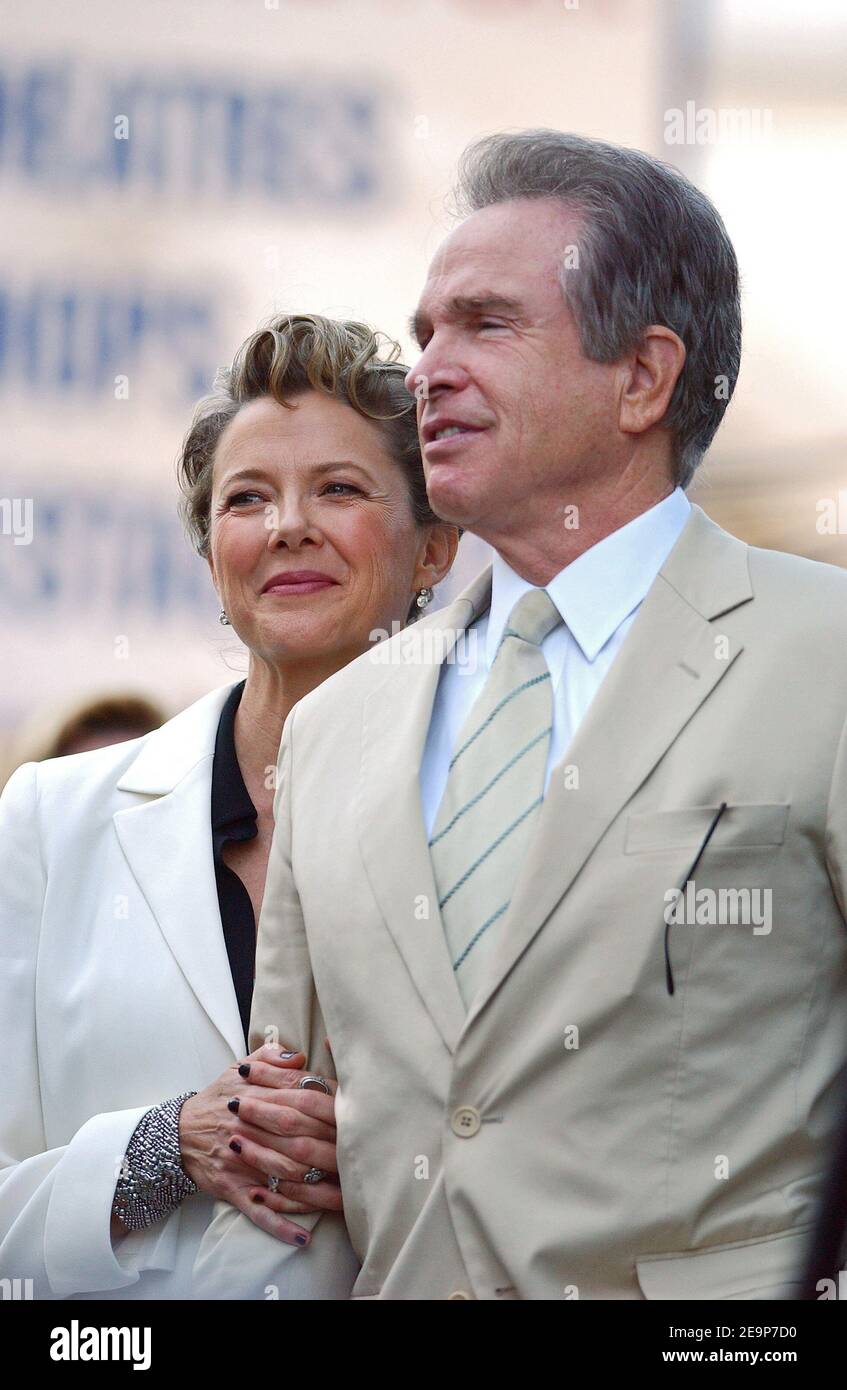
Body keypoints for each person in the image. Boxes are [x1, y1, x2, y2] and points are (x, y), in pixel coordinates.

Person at [195, 132, 847, 1301]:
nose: (425, 371)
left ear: (643, 377)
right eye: (425, 332)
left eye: (486, 324)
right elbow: (291, 1146)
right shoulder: (335, 728)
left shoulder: (826, 656)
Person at [0, 312, 458, 1299]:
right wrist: (163, 1147)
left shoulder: (509, 813)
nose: (290, 523)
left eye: (338, 488)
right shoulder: (50, 819)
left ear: (435, 549)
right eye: (248, 498)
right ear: (214, 559)